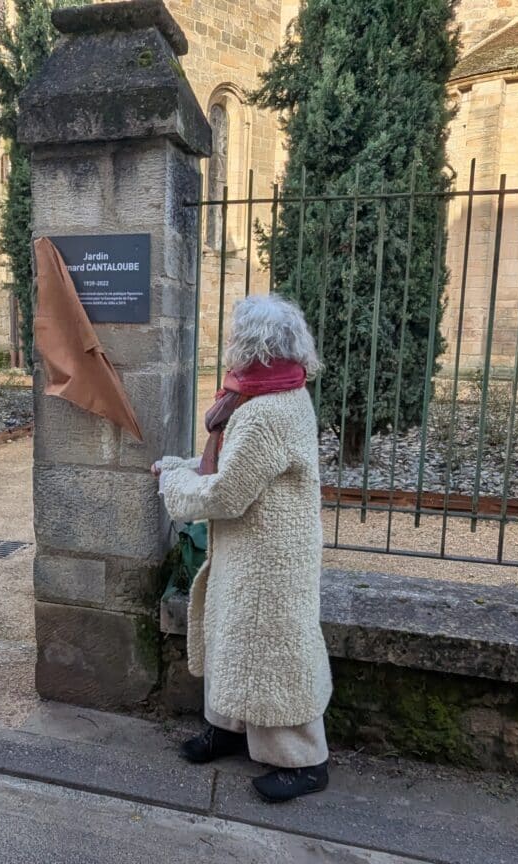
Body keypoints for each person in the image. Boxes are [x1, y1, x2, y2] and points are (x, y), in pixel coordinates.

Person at [153, 294, 332, 803]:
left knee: (277, 651)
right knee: (236, 638)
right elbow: (235, 467)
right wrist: (178, 466)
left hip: (268, 557)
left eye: (235, 337)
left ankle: (304, 760)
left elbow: (228, 492)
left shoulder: (262, 411)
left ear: (251, 346)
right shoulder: (281, 393)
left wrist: (171, 484)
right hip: (260, 549)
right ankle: (229, 728)